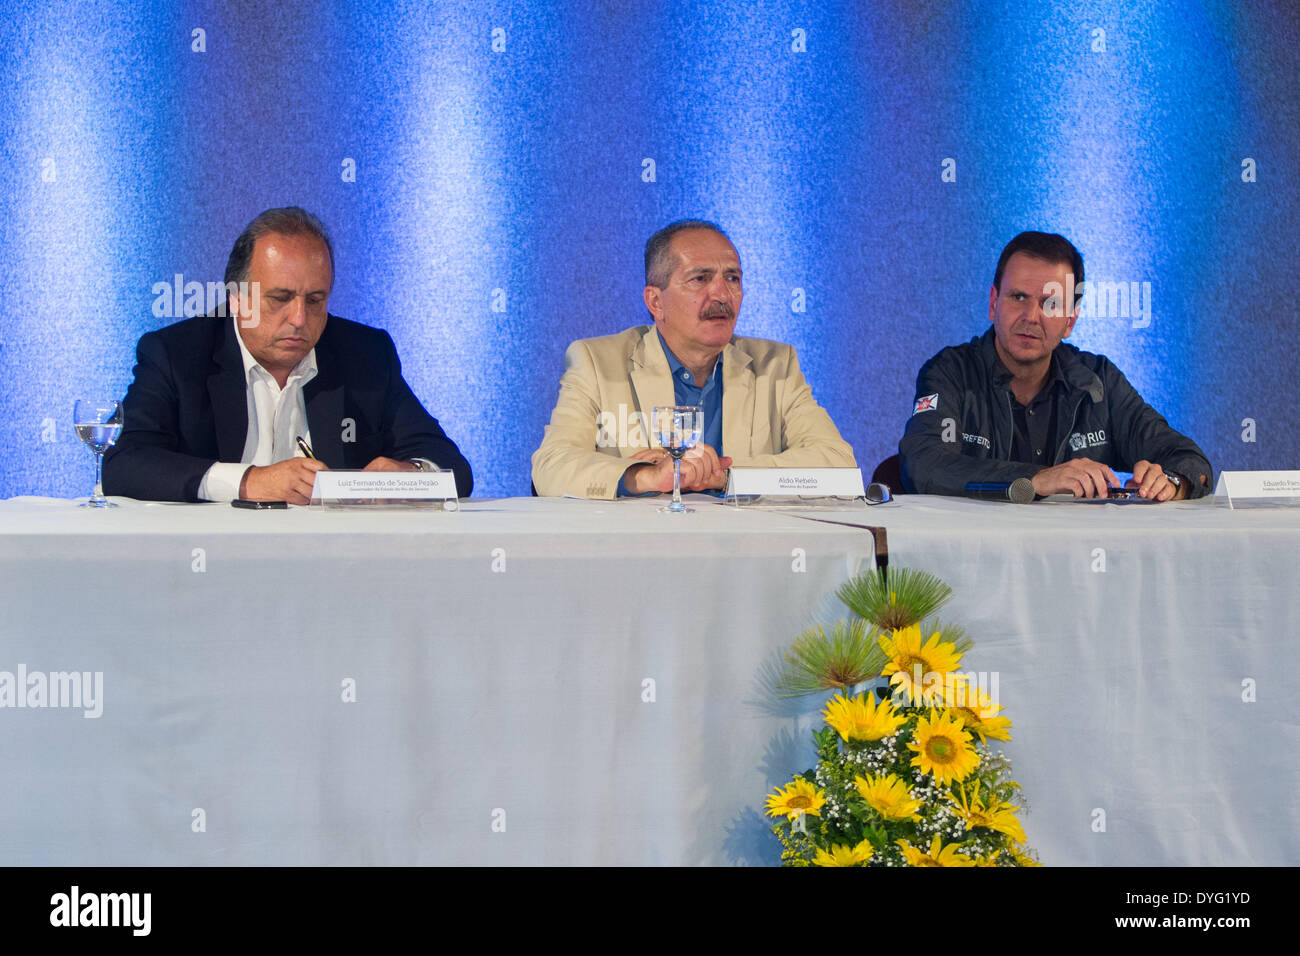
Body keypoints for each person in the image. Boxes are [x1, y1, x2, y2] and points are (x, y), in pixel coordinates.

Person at [103, 206, 472, 503]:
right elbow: (126, 464)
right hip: (209, 560)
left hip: (334, 564)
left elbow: (453, 467)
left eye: (315, 300)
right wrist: (250, 481)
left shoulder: (365, 354)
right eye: (280, 298)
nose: (299, 319)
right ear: (237, 298)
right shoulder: (176, 353)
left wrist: (413, 474)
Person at [531, 219, 855, 499]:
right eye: (700, 279)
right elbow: (551, 466)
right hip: (640, 554)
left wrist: (727, 476)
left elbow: (838, 463)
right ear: (655, 301)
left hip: (746, 554)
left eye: (732, 278)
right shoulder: (596, 363)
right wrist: (644, 477)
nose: (722, 294)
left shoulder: (775, 365)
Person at [899, 231, 1212, 500]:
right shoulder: (950, 372)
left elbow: (1190, 461)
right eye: (1018, 297)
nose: (1031, 316)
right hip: (975, 558)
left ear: (1070, 321)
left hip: (1078, 562)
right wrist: (1035, 480)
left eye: (1050, 303)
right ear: (994, 303)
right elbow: (923, 464)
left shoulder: (1097, 382)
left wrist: (1172, 481)